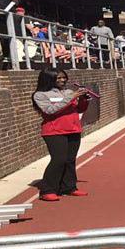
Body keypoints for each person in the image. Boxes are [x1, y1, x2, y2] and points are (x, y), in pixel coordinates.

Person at [32, 67, 90, 201]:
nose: (63, 80)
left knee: (70, 160)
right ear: (49, 78)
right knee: (59, 160)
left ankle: (69, 187)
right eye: (59, 78)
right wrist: (70, 98)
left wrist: (83, 100)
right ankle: (47, 189)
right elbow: (50, 110)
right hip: (54, 131)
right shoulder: (40, 95)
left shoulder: (69, 92)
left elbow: (79, 109)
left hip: (73, 129)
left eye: (64, 77)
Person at [0, 0, 18, 69]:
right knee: (7, 38)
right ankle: (7, 62)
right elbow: (15, 2)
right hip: (6, 17)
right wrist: (6, 10)